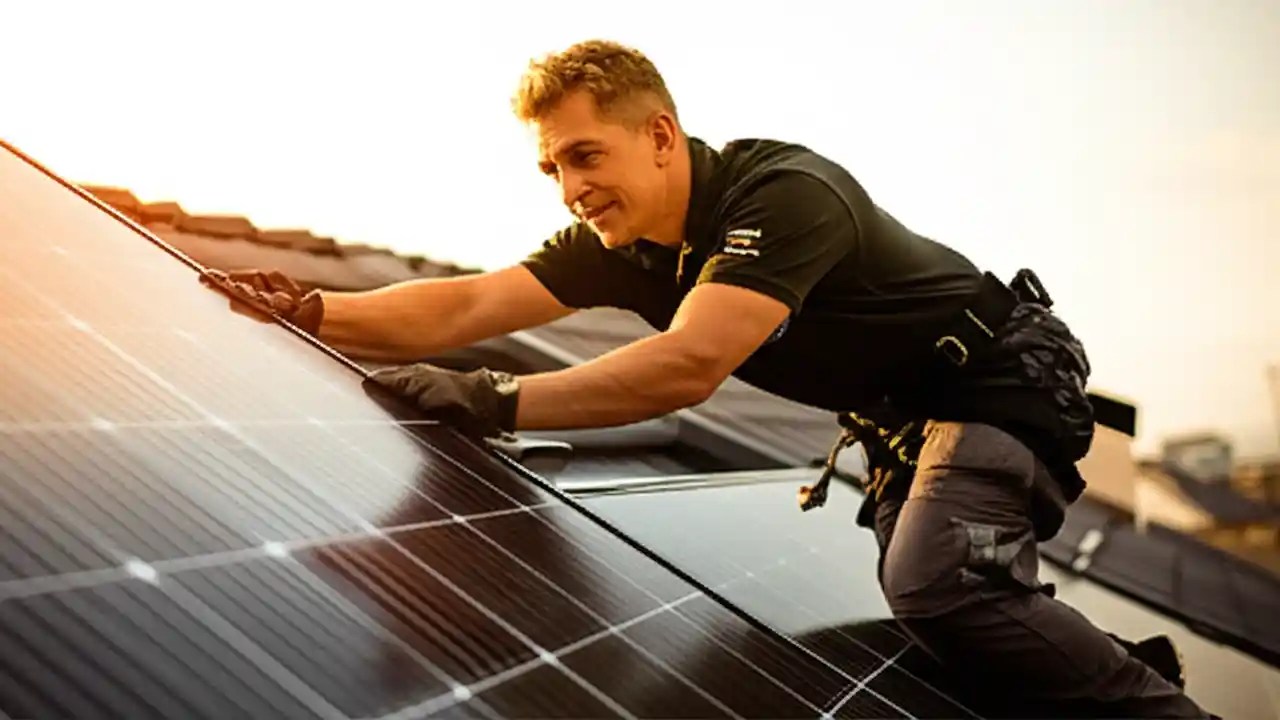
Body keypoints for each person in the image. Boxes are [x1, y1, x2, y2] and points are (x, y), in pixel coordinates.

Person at [201, 39, 1214, 718]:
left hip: (1000, 384)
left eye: (584, 155)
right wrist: (312, 310)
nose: (569, 186)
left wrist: (497, 400)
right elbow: (465, 307)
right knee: (949, 606)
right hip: (911, 421)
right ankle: (1113, 677)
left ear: (658, 135)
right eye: (550, 169)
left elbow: (689, 364)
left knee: (936, 582)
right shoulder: (620, 240)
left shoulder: (782, 192)